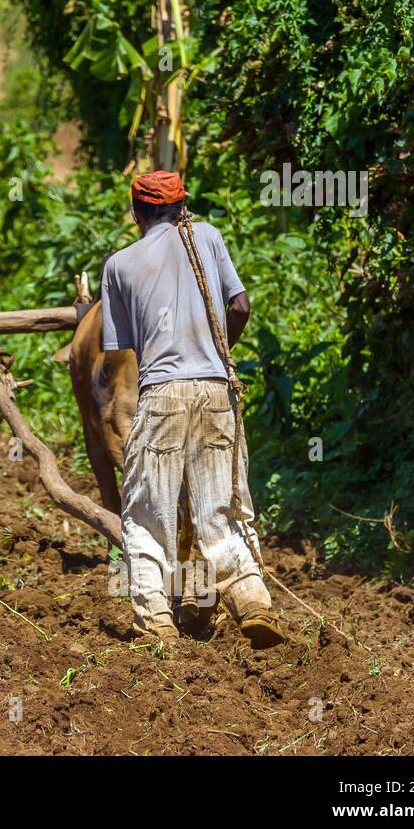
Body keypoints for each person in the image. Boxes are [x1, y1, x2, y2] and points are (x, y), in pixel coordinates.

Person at [100, 170, 285, 649]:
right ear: (183, 207)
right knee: (221, 511)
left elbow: (124, 349)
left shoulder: (119, 265)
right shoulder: (208, 236)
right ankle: (253, 603)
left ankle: (157, 622)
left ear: (137, 214)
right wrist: (218, 351)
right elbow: (240, 305)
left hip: (161, 394)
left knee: (146, 515)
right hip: (217, 392)